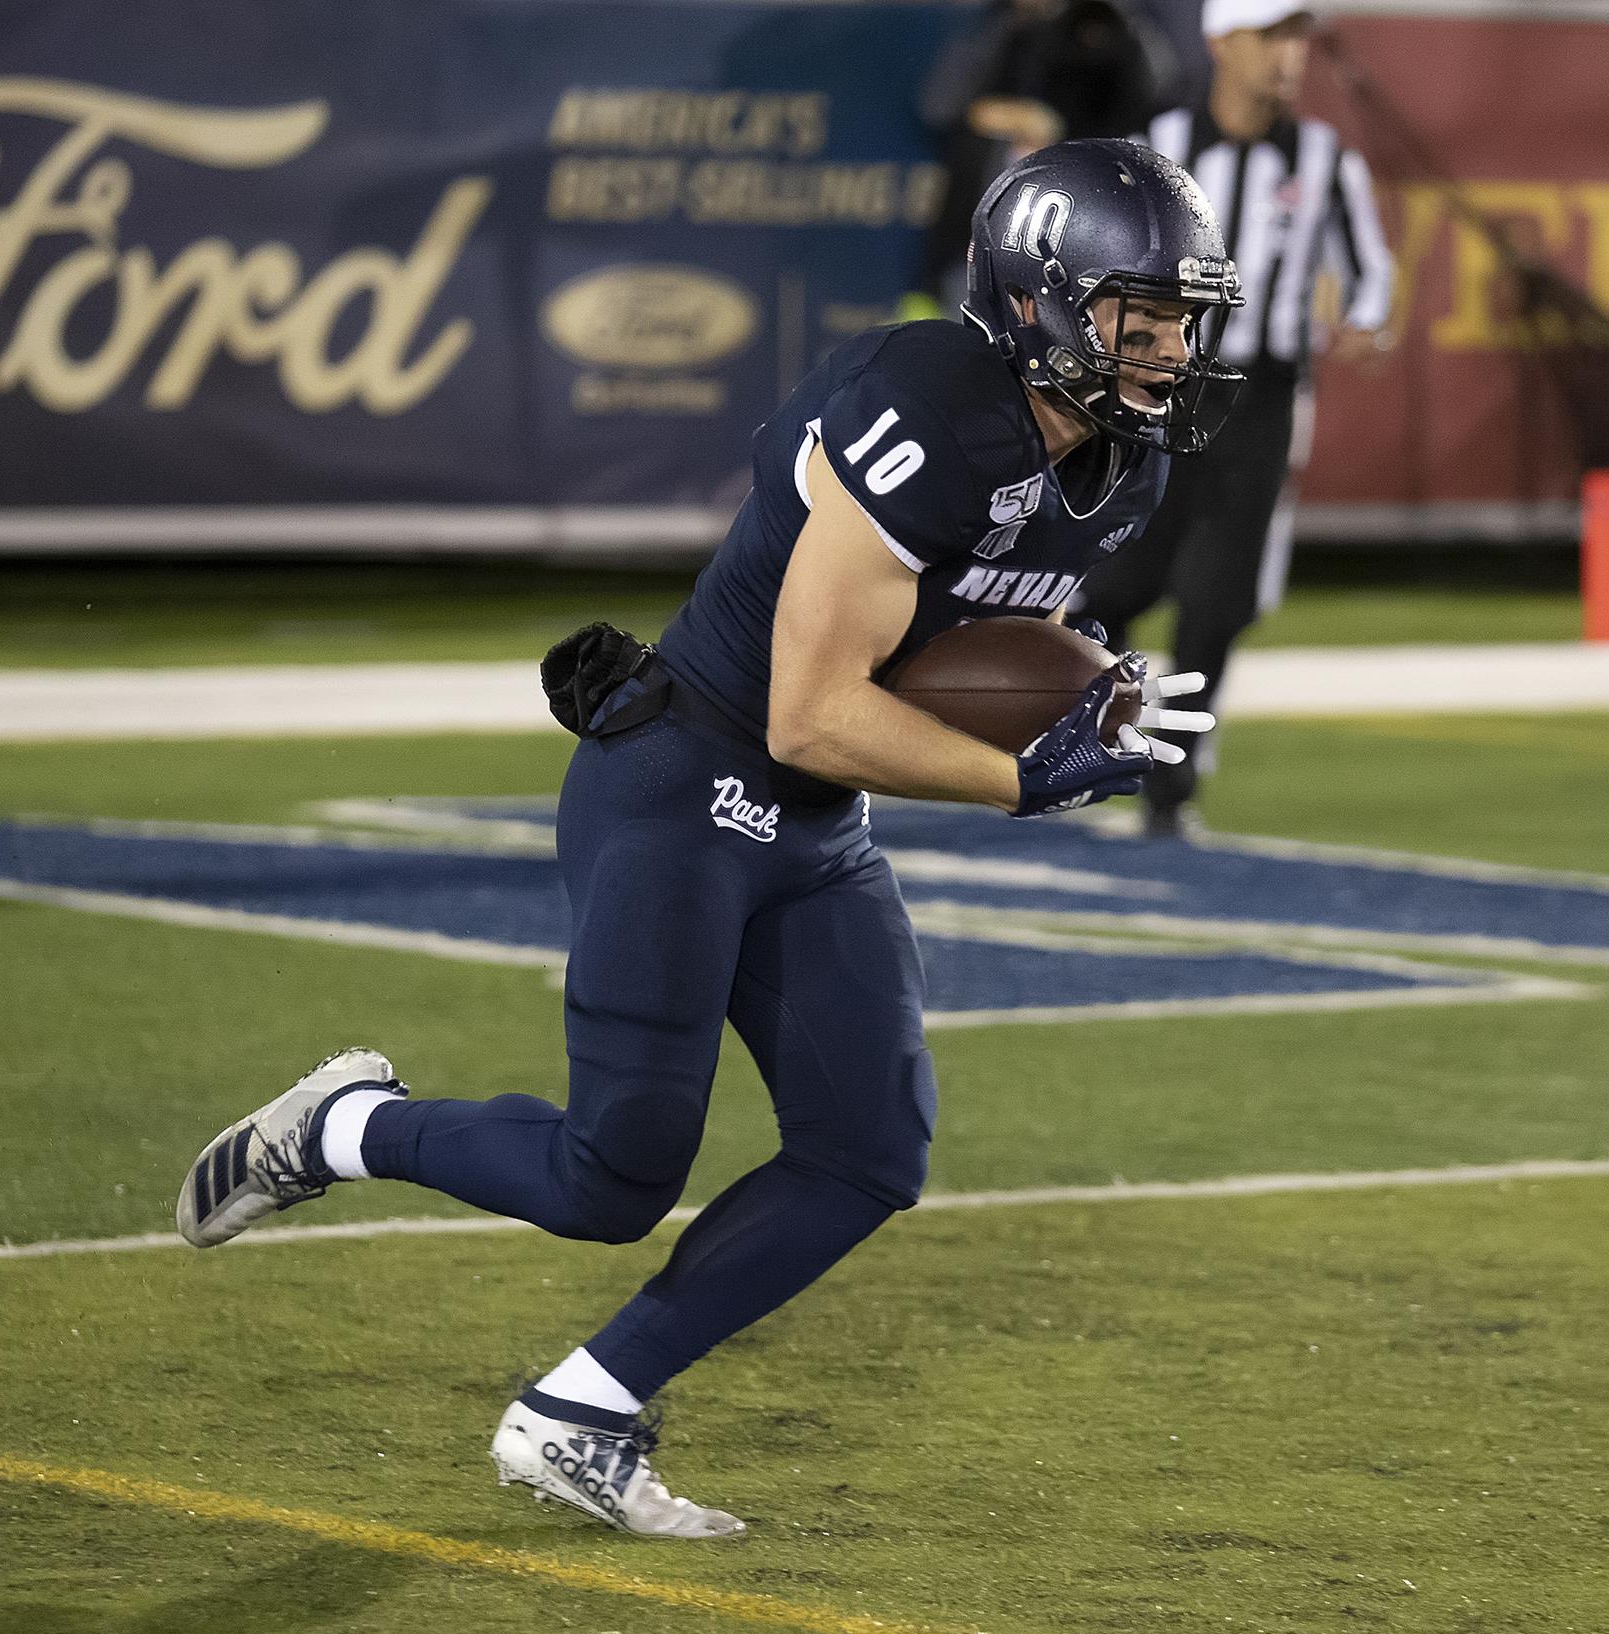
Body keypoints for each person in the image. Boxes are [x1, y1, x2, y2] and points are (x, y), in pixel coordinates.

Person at [173, 139, 1244, 1540]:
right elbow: (809, 712)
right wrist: (1022, 779)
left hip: (809, 822)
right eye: (1138, 317)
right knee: (610, 1178)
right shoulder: (932, 406)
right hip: (686, 783)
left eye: (1183, 320)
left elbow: (959, 623)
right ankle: (345, 1127)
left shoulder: (1119, 469)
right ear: (1042, 303)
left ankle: (579, 1408)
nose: (1168, 351)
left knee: (869, 1147)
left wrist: (1082, 674)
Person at [1069, 0, 1394, 837]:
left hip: (1259, 399)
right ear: (1221, 41)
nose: (1288, 57)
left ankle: (1172, 787)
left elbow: (1372, 273)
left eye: (1296, 38)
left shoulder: (1323, 158)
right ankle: (1069, 734)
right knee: (1116, 581)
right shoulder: (1160, 145)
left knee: (1218, 602)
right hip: (1156, 390)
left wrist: (1367, 318)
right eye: (1269, 36)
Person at [915, 0, 1179, 310]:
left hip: (1082, 234)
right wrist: (1013, 115)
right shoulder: (1002, 31)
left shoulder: (1125, 31)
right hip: (980, 239)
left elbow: (1163, 94)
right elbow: (939, 106)